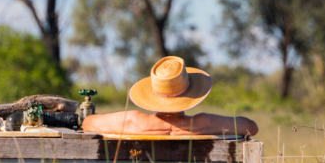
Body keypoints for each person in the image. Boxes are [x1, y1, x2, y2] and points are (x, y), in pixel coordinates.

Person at [81, 56, 258, 137]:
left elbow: (87, 123)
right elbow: (251, 127)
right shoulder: (204, 123)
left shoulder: (133, 121)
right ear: (191, 94)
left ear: (152, 93)